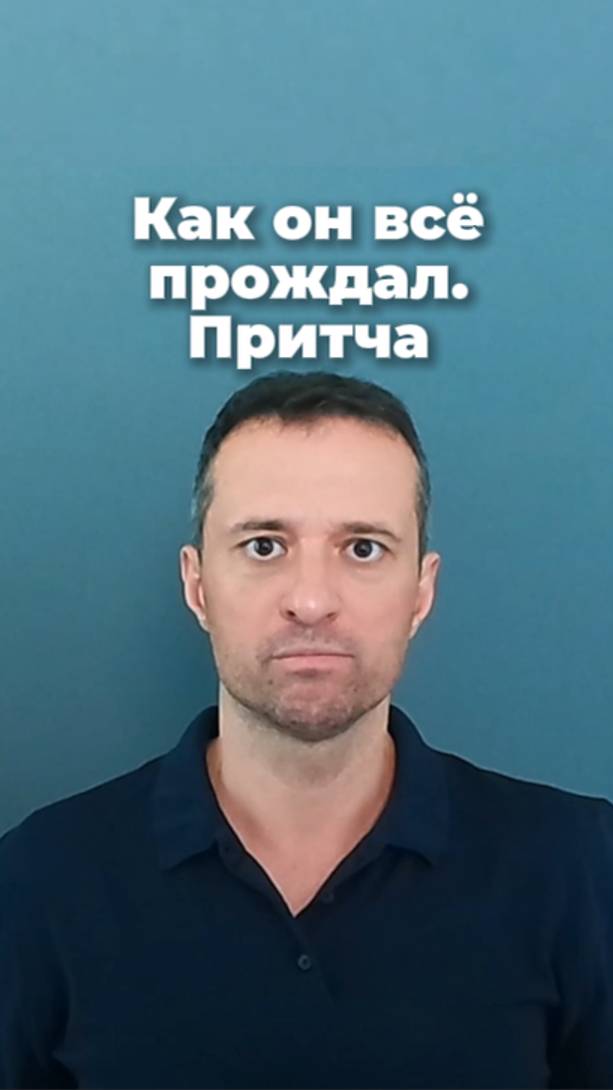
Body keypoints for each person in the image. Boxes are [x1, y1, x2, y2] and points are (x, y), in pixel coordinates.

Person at [1, 370, 612, 1090]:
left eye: (363, 548)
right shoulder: (38, 879)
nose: (312, 600)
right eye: (264, 545)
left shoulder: (581, 866)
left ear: (421, 591)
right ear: (198, 586)